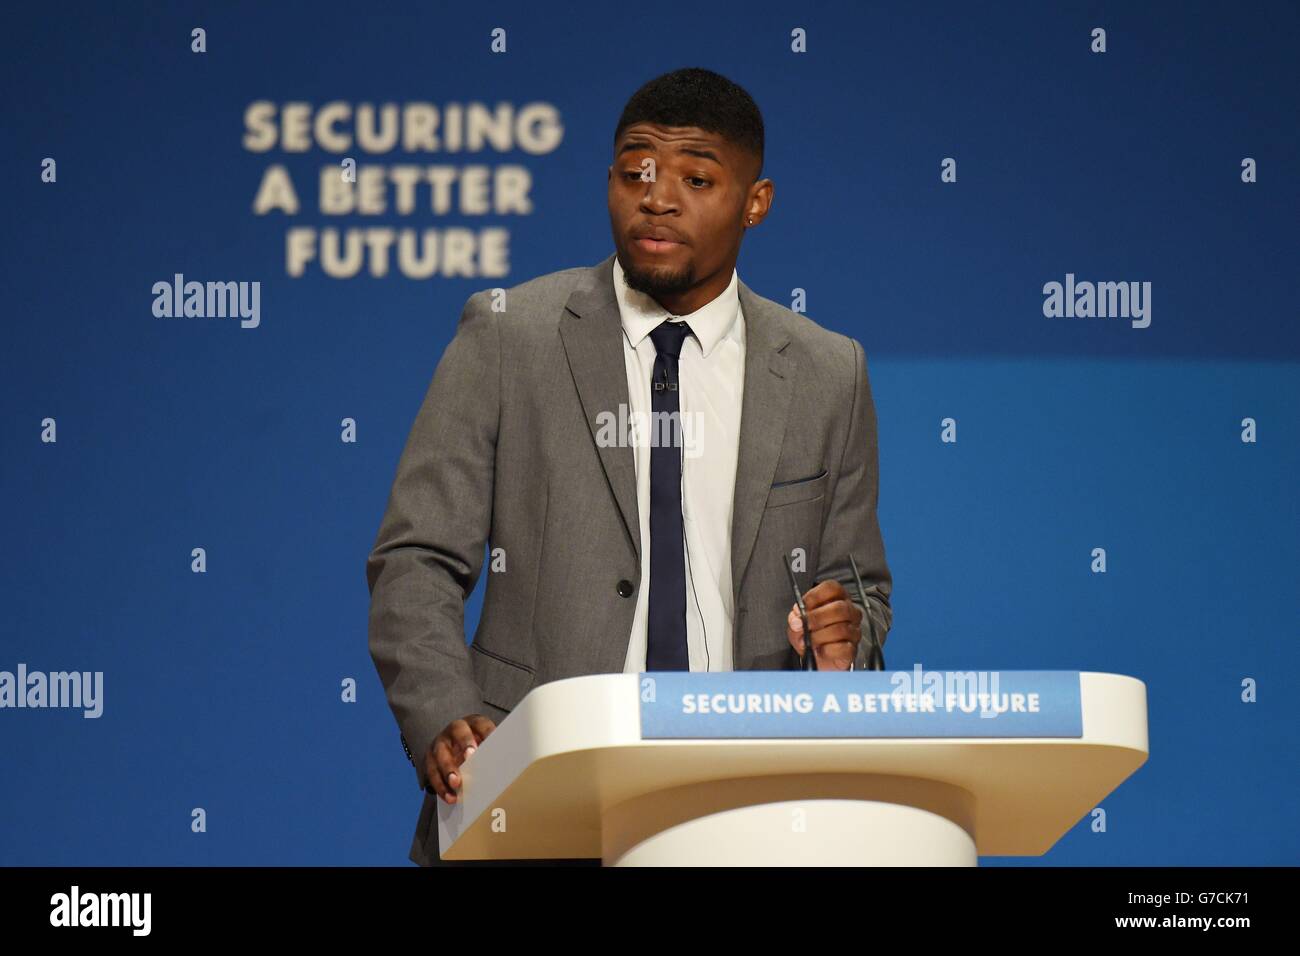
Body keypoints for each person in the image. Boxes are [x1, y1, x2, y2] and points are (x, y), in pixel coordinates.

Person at [366, 67, 893, 866]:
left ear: (757, 202)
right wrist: (443, 713)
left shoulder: (828, 372)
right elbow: (416, 559)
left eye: (696, 177)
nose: (657, 196)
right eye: (635, 170)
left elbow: (859, 588)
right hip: (535, 796)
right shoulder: (510, 336)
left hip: (748, 808)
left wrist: (842, 639)